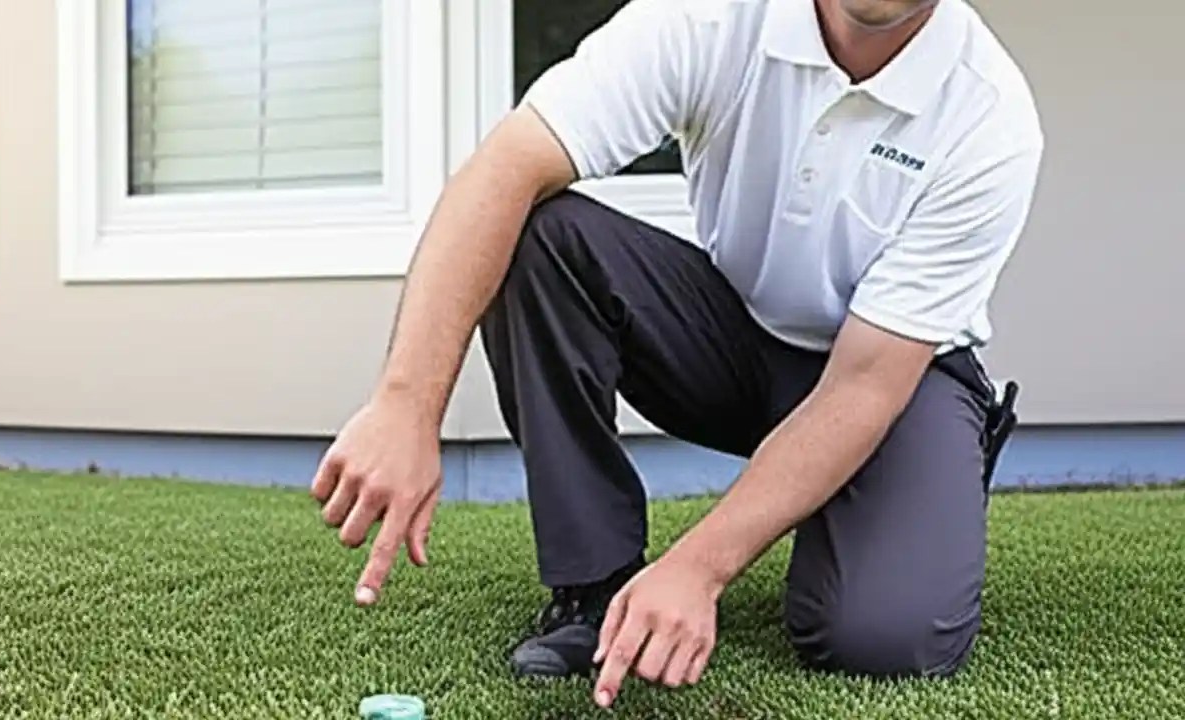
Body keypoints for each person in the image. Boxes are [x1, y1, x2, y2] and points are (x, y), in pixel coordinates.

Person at [310, 0, 1042, 709]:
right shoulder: (707, 19)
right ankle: (594, 588)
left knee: (884, 638)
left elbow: (865, 387)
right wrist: (407, 404)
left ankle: (902, 485)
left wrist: (697, 568)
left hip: (896, 383)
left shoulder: (987, 115)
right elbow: (504, 168)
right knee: (540, 238)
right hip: (739, 338)